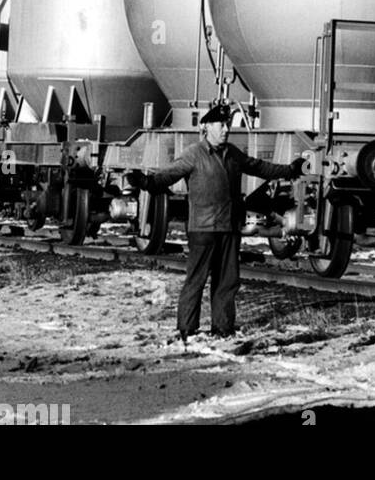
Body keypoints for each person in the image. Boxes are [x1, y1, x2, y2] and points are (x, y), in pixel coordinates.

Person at [128, 105, 304, 342]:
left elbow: (259, 167)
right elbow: (169, 175)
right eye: (221, 125)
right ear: (206, 127)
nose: (226, 129)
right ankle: (187, 329)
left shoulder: (232, 154)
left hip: (229, 227)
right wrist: (147, 182)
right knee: (196, 280)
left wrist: (289, 171)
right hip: (203, 229)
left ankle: (222, 328)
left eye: (227, 125)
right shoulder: (194, 154)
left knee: (227, 281)